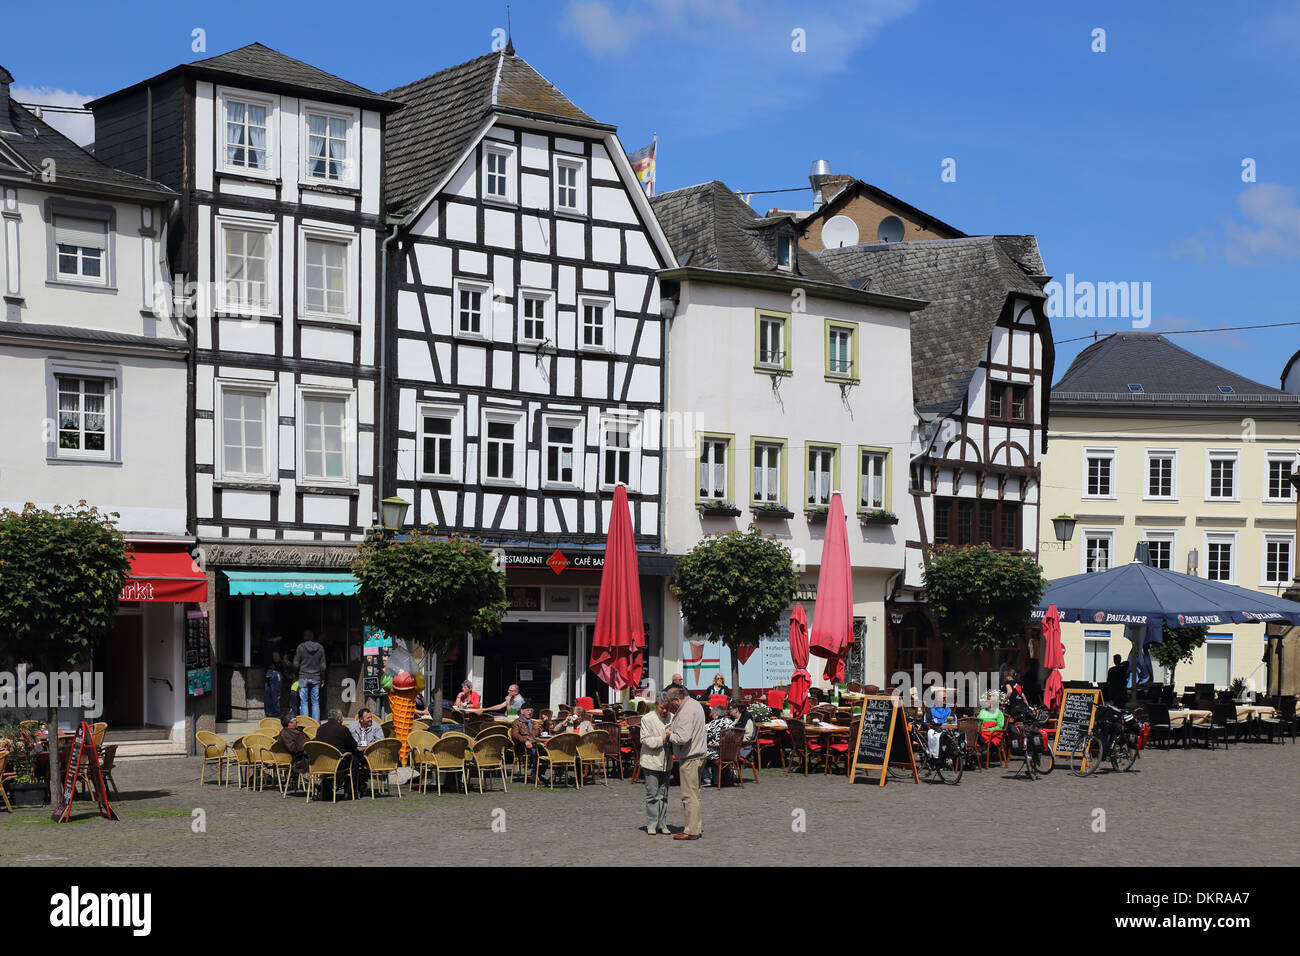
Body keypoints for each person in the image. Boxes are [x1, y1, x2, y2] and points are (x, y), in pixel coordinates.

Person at [665, 686, 706, 840]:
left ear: (677, 699)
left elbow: (683, 737)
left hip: (691, 756)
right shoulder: (695, 704)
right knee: (694, 794)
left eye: (670, 703)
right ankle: (695, 826)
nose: (670, 706)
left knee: (689, 796)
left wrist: (670, 735)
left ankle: (692, 830)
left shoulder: (686, 710)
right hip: (698, 754)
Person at [639, 693, 673, 835]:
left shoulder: (672, 717)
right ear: (656, 705)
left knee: (664, 794)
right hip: (651, 760)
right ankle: (652, 824)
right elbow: (646, 740)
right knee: (652, 794)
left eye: (667, 708)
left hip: (666, 761)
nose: (664, 711)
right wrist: (664, 738)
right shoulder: (647, 719)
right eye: (662, 708)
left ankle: (662, 823)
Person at [315, 708, 366, 797]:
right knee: (355, 761)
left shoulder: (320, 729)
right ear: (339, 719)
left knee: (332, 758)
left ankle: (326, 791)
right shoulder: (342, 729)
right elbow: (353, 745)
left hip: (322, 762)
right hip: (338, 762)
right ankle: (351, 792)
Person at [292, 629, 326, 721]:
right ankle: (315, 724)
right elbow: (323, 667)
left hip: (303, 677)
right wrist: (322, 679)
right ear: (313, 636)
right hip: (316, 678)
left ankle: (305, 724)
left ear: (305, 637)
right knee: (315, 702)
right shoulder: (320, 647)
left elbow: (295, 664)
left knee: (304, 702)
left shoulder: (300, 647)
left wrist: (296, 673)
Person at [510, 703, 548, 783]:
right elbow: (515, 734)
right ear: (522, 711)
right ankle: (535, 775)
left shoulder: (534, 722)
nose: (530, 712)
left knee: (546, 752)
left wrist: (545, 723)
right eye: (528, 710)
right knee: (537, 752)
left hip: (534, 744)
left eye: (531, 710)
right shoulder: (517, 722)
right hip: (522, 746)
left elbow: (541, 733)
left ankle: (537, 774)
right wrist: (525, 741)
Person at [700, 704, 731, 785]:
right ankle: (721, 778)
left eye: (712, 714)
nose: (712, 716)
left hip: (717, 753)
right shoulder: (731, 722)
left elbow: (703, 738)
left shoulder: (711, 725)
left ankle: (706, 779)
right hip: (731, 752)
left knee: (698, 754)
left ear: (716, 715)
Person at [262, 634, 283, 719]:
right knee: (275, 696)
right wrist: (283, 661)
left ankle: (268, 715)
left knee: (268, 695)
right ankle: (276, 716)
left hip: (268, 672)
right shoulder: (273, 645)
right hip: (275, 672)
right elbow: (276, 658)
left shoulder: (264, 644)